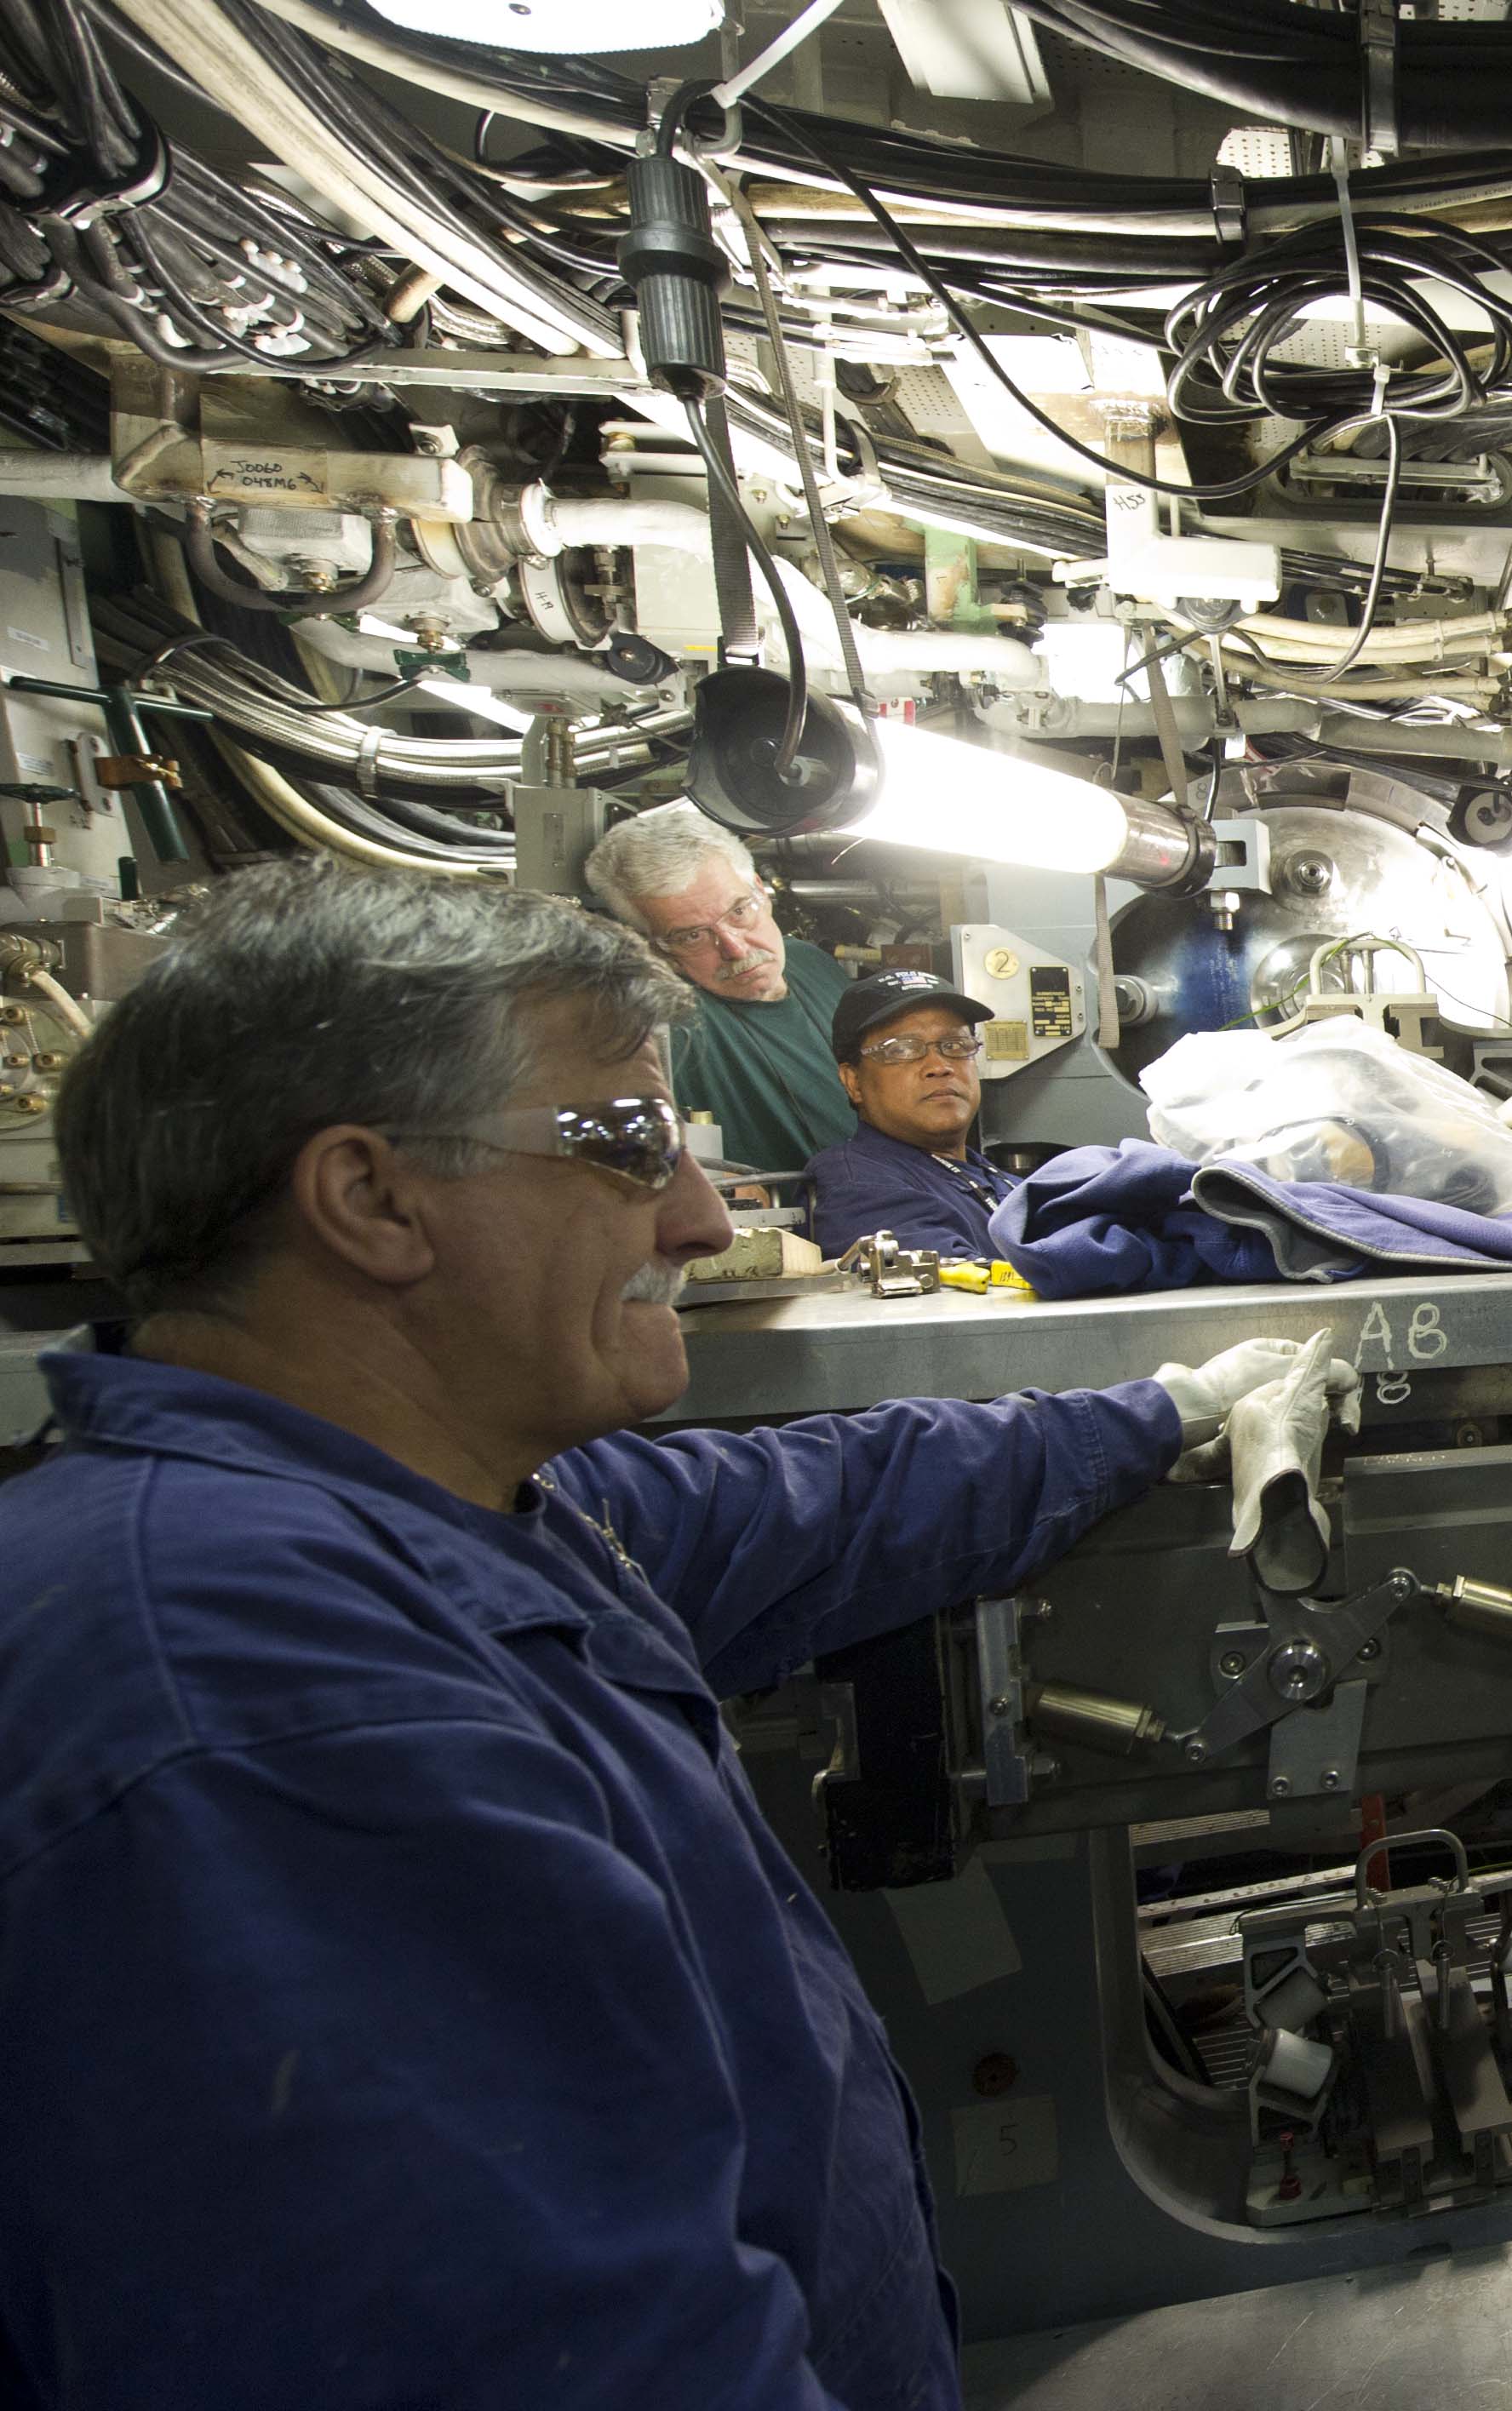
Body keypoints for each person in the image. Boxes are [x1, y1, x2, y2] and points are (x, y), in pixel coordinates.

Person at [0, 862, 1319, 2408]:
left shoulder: (447, 1514)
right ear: (367, 1197)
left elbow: (818, 1501)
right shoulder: (263, 1711)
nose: (699, 1219)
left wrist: (1161, 1408)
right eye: (629, 1143)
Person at [583, 800, 857, 1174]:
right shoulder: (661, 1023)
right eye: (693, 935)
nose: (734, 948)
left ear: (761, 890)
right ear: (652, 947)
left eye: (739, 912)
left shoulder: (814, 965)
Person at [807, 967, 1013, 1257]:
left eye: (954, 1045)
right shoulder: (859, 1186)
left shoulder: (1001, 1181)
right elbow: (948, 1290)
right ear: (853, 1082)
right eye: (902, 1049)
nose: (939, 1066)